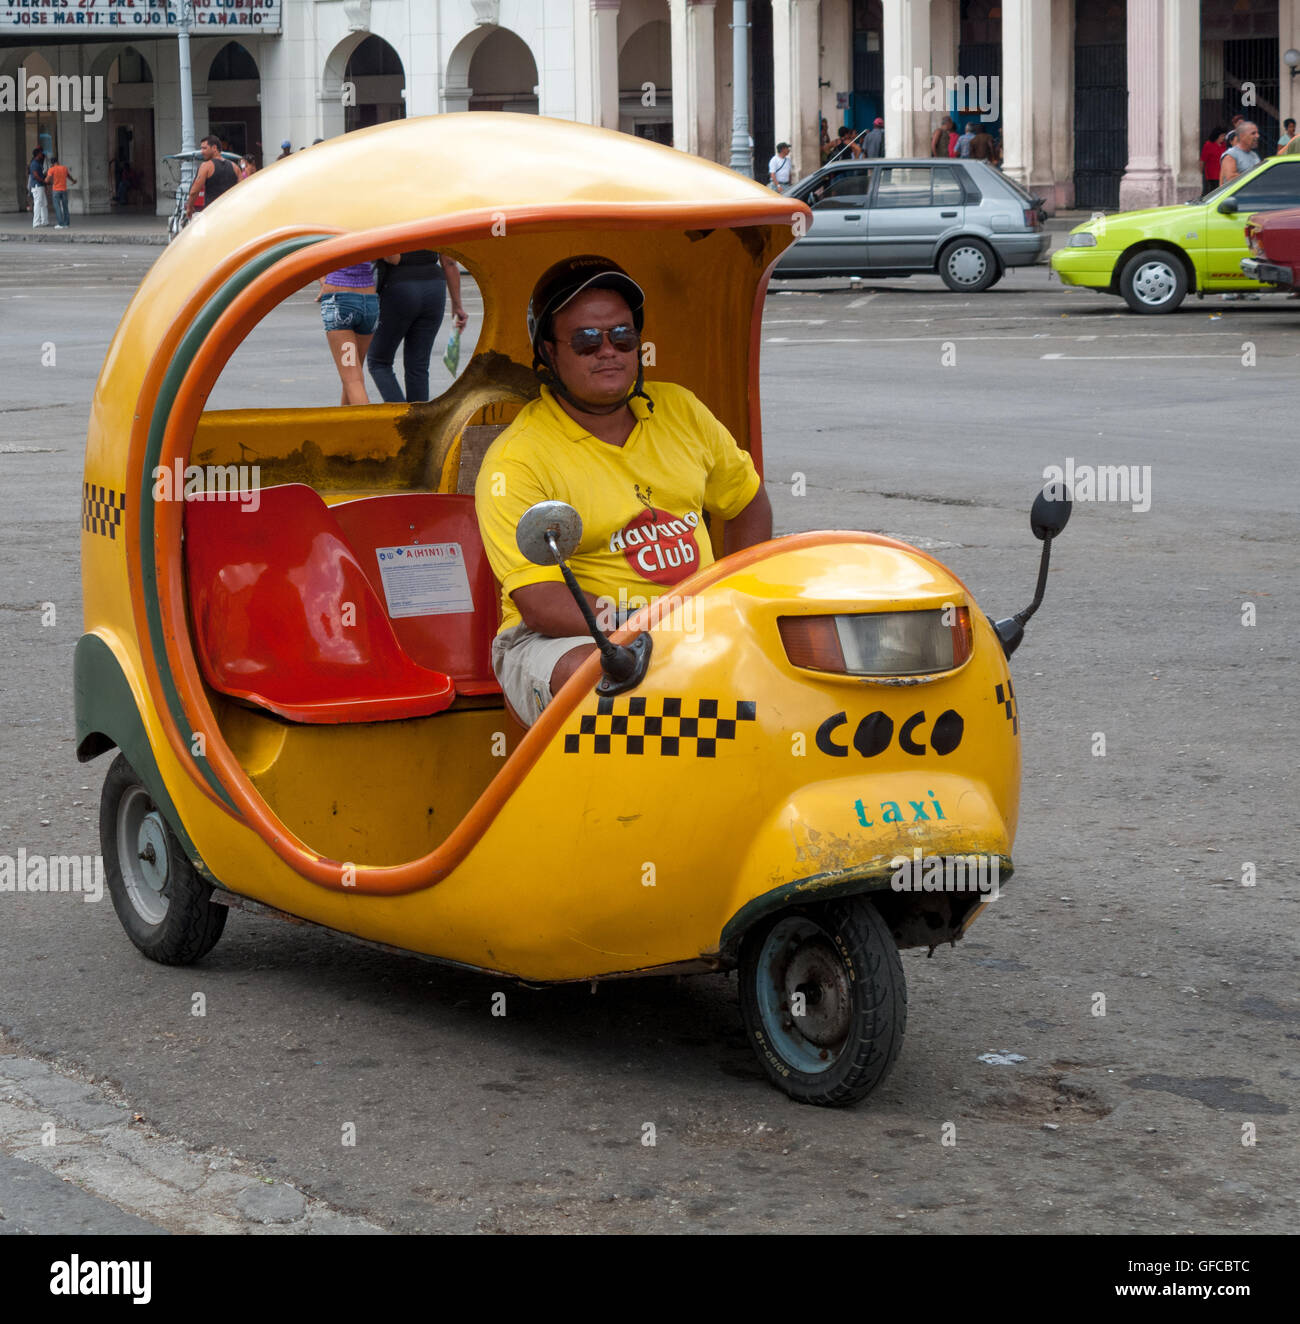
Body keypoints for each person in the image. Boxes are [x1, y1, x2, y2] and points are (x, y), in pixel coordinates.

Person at [474, 255, 773, 725]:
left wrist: (733, 598)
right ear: (550, 353)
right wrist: (661, 624)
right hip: (564, 639)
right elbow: (543, 605)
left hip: (695, 623)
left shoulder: (682, 410)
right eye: (586, 341)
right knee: (611, 682)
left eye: (622, 337)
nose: (608, 351)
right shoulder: (518, 459)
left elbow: (746, 502)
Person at [366, 250, 468, 402]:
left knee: (379, 361)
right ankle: (418, 422)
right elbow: (450, 262)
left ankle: (400, 417)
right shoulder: (434, 224)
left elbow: (391, 257)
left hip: (400, 285)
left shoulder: (394, 224)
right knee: (418, 366)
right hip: (435, 287)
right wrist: (457, 304)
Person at [315, 261, 378, 405]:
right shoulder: (367, 236)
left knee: (352, 379)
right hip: (369, 299)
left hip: (340, 298)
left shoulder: (334, 236)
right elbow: (392, 257)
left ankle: (365, 426)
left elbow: (312, 254)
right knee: (353, 376)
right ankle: (346, 424)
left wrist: (323, 280)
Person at [185, 135, 238, 218]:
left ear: (214, 148)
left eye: (204, 148)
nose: (202, 152)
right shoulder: (235, 166)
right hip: (231, 213)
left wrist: (189, 207)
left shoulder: (206, 166)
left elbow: (194, 191)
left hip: (213, 214)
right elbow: (242, 189)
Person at [45, 155, 76, 229]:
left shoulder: (51, 169)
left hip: (56, 190)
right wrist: (73, 181)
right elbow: (69, 176)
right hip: (64, 190)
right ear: (58, 161)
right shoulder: (64, 168)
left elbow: (47, 180)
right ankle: (67, 223)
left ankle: (61, 224)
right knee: (65, 207)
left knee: (57, 207)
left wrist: (48, 178)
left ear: (52, 163)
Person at [28, 149, 51, 228]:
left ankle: (45, 221)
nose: (42, 154)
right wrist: (44, 182)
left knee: (44, 203)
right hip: (37, 186)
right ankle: (36, 222)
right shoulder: (34, 163)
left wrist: (44, 184)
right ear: (37, 154)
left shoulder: (38, 163)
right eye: (41, 153)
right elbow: (36, 175)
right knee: (38, 204)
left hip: (40, 185)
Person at [1200, 126, 1226, 194]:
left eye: (1224, 136)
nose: (1223, 138)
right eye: (1222, 136)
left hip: (1222, 174)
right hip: (1212, 175)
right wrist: (1200, 172)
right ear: (1217, 136)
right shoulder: (1208, 145)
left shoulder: (1224, 145)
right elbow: (1203, 160)